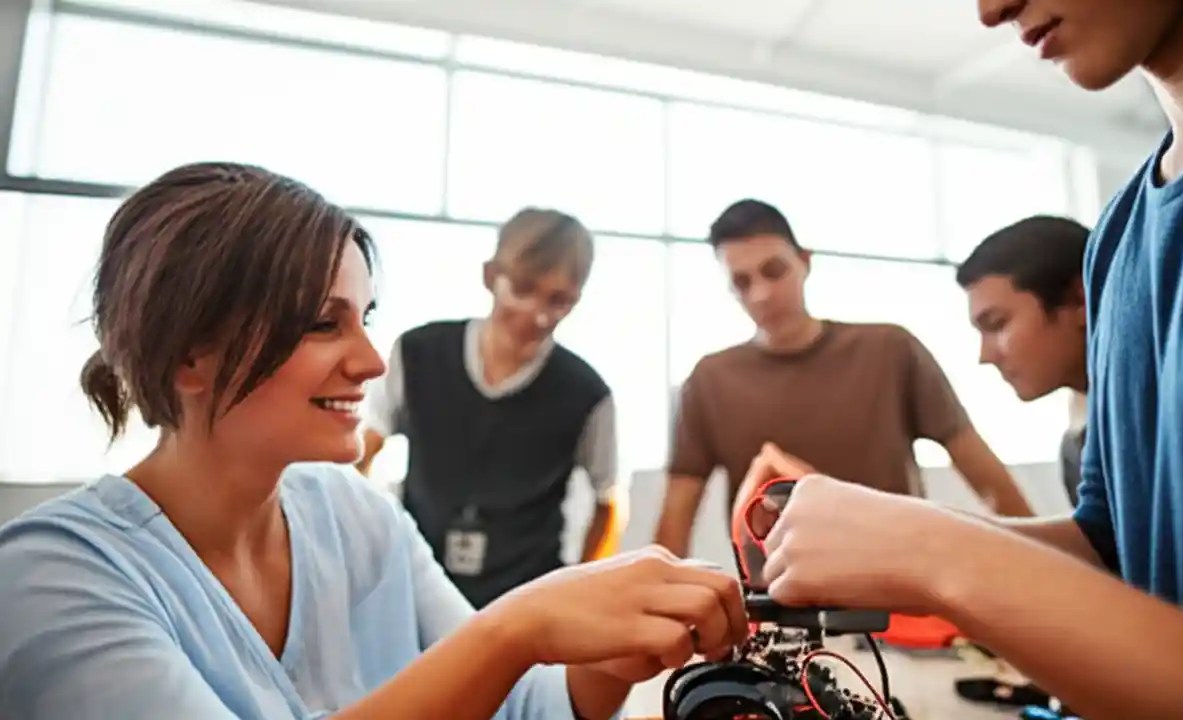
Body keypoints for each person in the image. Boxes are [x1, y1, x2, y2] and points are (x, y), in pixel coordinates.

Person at [0, 162, 747, 720]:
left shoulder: (356, 517)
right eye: (323, 323)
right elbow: (500, 656)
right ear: (190, 355)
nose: (372, 361)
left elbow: (525, 707)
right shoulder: (51, 577)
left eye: (365, 318)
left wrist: (607, 655)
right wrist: (516, 628)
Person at [750, 1, 1183, 718]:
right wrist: (883, 538)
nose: (990, 9)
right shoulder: (1119, 235)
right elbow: (1108, 549)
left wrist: (933, 551)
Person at [655, 198, 1033, 557]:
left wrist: (1045, 559)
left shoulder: (890, 349)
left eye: (774, 271)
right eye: (742, 282)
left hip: (898, 577)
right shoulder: (709, 381)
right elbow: (675, 521)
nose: (762, 294)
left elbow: (982, 471)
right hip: (780, 589)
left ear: (805, 261)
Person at [356, 207, 617, 608]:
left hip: (527, 601)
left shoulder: (588, 393)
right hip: (418, 589)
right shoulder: (417, 354)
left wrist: (580, 590)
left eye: (559, 301)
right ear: (491, 275)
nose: (537, 315)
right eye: (523, 289)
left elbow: (609, 501)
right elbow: (362, 454)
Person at [956, 215, 1090, 506]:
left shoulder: (1170, 414)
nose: (985, 356)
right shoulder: (1077, 445)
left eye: (997, 324)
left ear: (1079, 299)